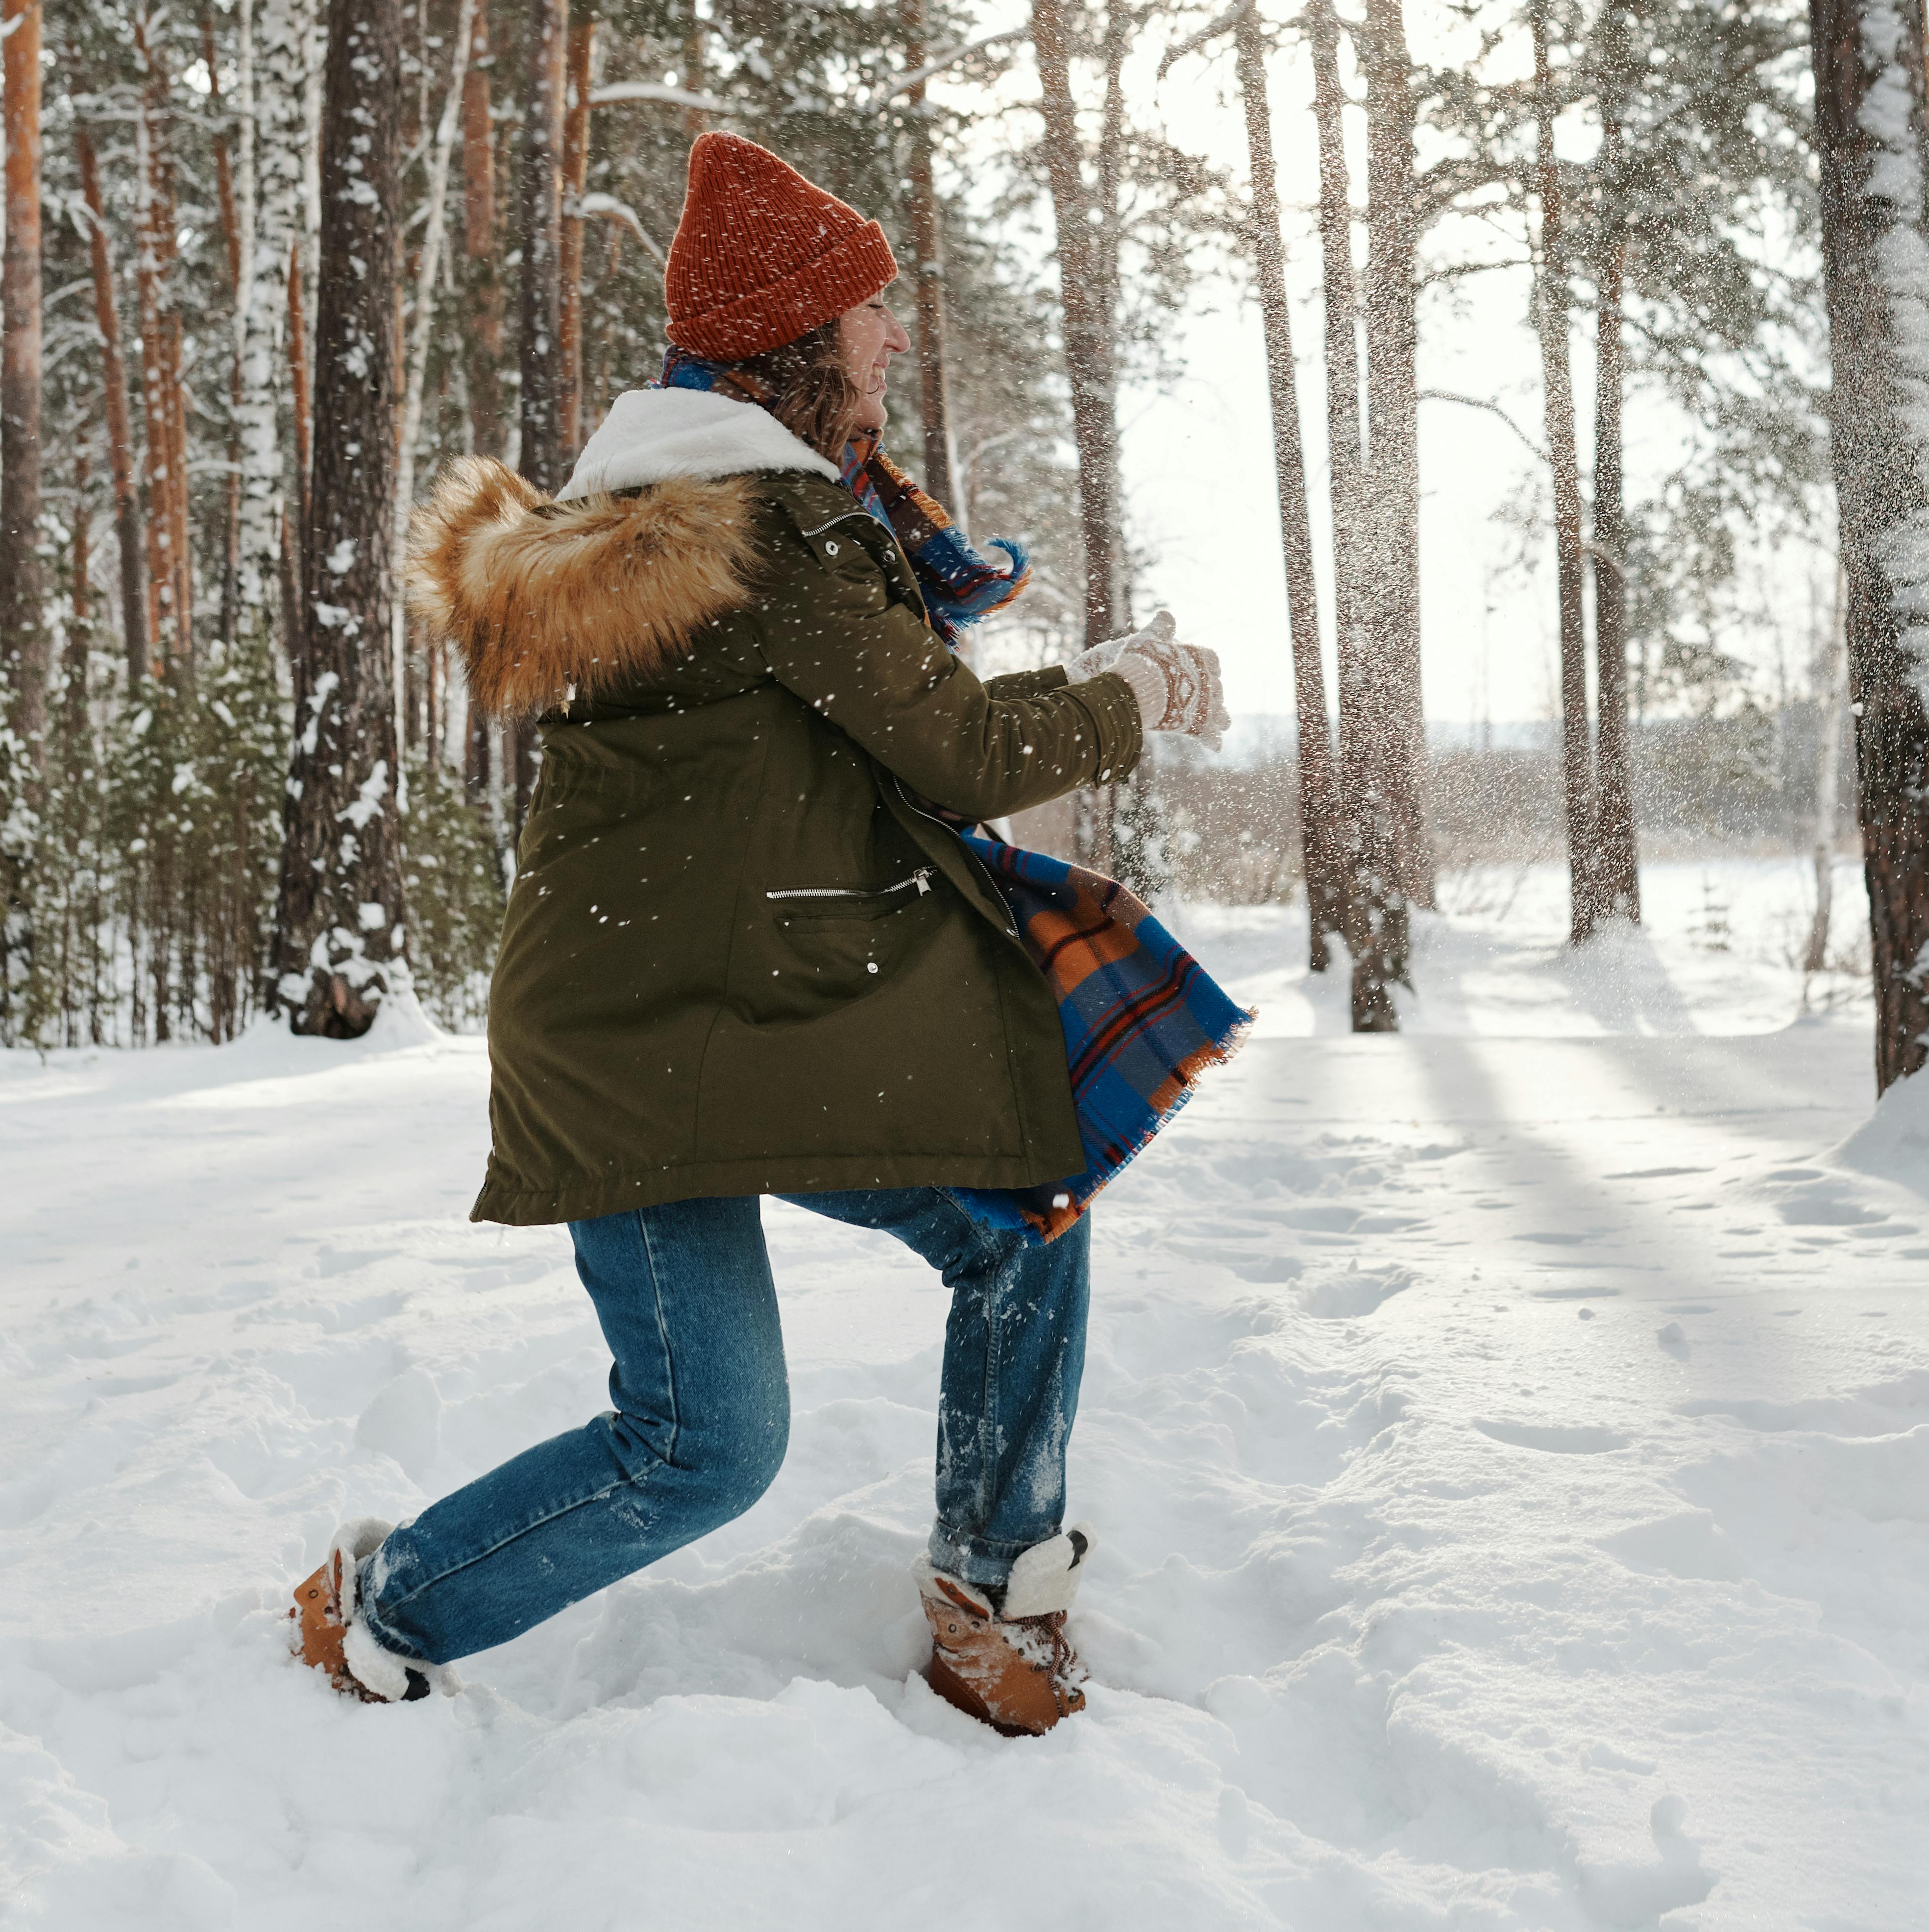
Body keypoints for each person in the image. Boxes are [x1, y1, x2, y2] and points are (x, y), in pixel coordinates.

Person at [289, 130, 1229, 1737]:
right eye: (871, 313)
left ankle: (991, 1596)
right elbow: (962, 756)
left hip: (724, 1006)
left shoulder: (737, 514)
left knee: (1022, 1227)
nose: (895, 338)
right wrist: (1134, 692)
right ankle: (379, 1613)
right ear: (802, 342)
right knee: (703, 1445)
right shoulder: (762, 535)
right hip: (651, 1049)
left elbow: (875, 743)